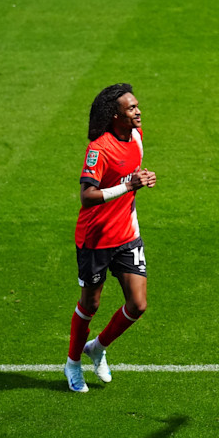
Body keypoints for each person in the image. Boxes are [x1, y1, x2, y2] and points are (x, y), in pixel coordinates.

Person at [64, 84, 157, 393]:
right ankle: (73, 363)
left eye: (137, 106)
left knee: (138, 303)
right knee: (90, 304)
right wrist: (129, 187)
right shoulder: (99, 149)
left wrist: (144, 179)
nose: (138, 111)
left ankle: (98, 346)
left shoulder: (137, 137)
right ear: (115, 115)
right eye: (131, 109)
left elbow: (132, 174)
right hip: (95, 238)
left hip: (127, 233)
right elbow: (87, 196)